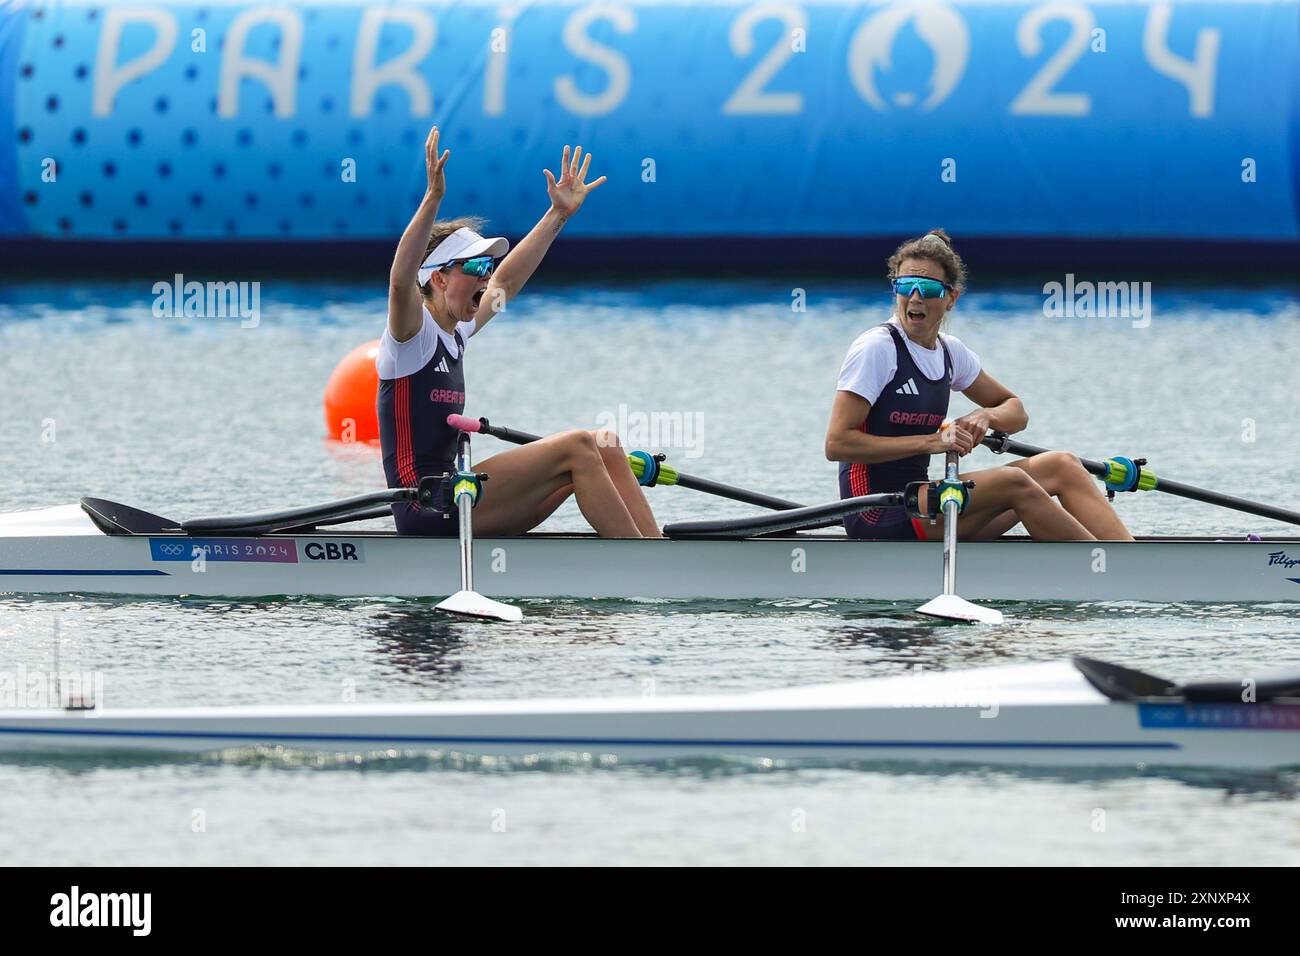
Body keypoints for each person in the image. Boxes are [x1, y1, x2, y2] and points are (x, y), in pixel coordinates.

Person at [378, 127, 661, 538]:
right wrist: (432, 198)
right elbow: (401, 281)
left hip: (461, 494)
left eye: (487, 267)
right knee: (579, 446)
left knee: (605, 444)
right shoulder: (411, 336)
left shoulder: (458, 330)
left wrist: (559, 214)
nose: (486, 275)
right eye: (475, 267)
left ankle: (655, 551)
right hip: (426, 507)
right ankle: (646, 568)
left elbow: (506, 285)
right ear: (438, 278)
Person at [824, 229, 1133, 542]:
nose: (915, 297)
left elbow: (1016, 412)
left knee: (1062, 465)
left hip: (925, 501)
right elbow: (837, 444)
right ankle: (1108, 571)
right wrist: (931, 442)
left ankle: (1128, 557)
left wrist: (985, 416)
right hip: (874, 511)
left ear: (951, 298)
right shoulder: (877, 348)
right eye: (905, 286)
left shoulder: (950, 352)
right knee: (1013, 481)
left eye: (928, 288)